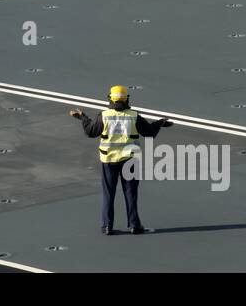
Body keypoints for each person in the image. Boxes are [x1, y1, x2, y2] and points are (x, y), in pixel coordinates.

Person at [69, 85, 172, 235]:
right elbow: (149, 133)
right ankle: (134, 225)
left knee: (108, 193)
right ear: (126, 99)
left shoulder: (104, 115)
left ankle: (107, 226)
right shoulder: (133, 115)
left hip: (109, 160)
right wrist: (160, 122)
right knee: (131, 193)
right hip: (129, 160)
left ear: (110, 98)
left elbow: (91, 131)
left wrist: (82, 117)